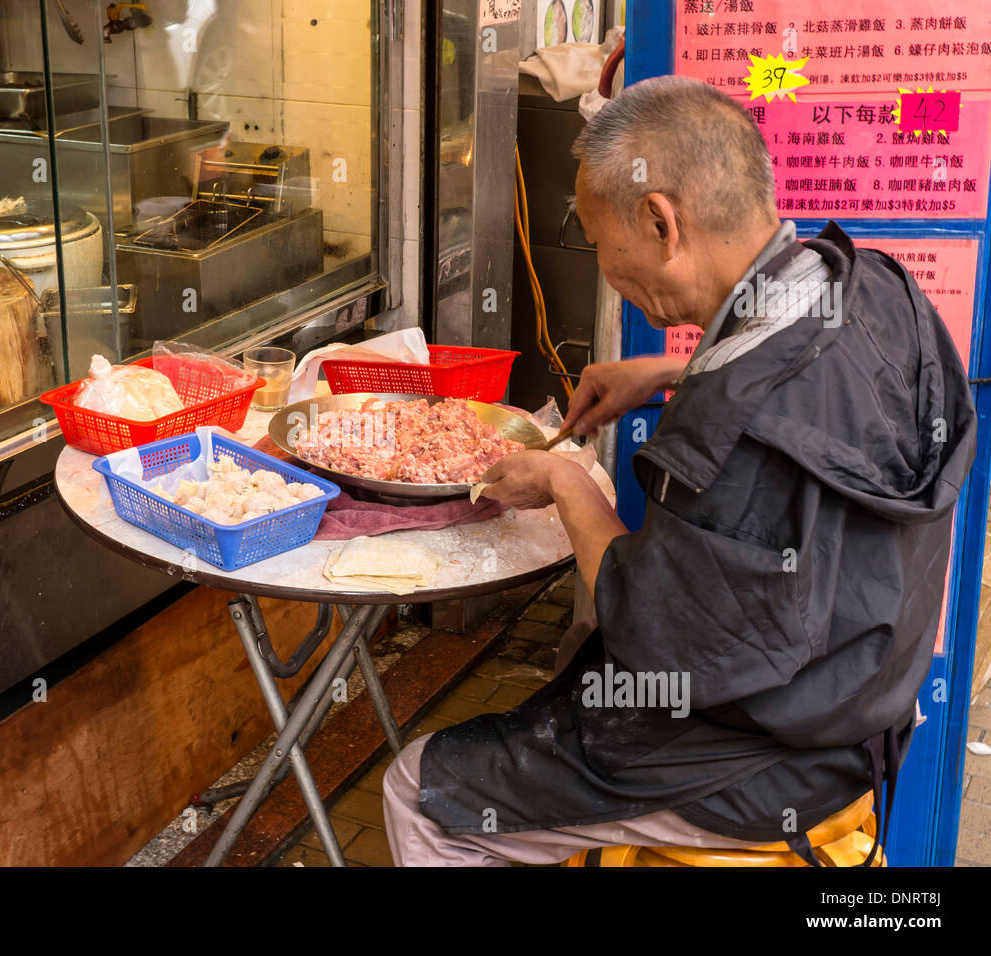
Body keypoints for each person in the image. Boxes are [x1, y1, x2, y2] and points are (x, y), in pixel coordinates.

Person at [382, 75, 977, 867]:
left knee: (417, 789)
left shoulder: (730, 434)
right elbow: (797, 388)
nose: (604, 266)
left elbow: (651, 633)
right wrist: (669, 373)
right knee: (576, 658)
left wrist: (567, 484)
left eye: (601, 242)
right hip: (861, 702)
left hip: (765, 763)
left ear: (661, 222)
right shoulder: (868, 285)